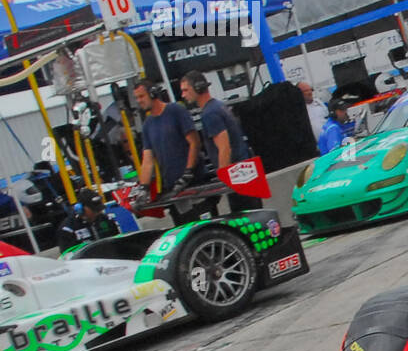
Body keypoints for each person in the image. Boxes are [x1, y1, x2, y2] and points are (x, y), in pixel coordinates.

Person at [180, 70, 262, 212]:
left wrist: (223, 176)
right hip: (244, 171)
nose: (183, 95)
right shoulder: (218, 106)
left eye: (186, 90)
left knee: (245, 218)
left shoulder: (210, 113)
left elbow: (224, 147)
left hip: (238, 175)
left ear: (198, 88)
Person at [132, 80, 202, 222]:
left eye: (141, 96)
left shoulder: (176, 111)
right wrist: (143, 188)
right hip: (173, 188)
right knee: (183, 229)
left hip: (195, 183)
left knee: (202, 227)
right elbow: (148, 160)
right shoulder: (147, 125)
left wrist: (188, 172)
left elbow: (194, 142)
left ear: (153, 94)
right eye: (137, 98)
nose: (139, 101)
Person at [56, 187, 119, 252]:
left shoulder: (107, 219)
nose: (98, 213)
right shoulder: (68, 229)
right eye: (94, 210)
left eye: (99, 210)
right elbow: (67, 256)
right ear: (80, 209)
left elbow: (118, 243)